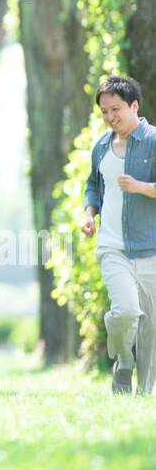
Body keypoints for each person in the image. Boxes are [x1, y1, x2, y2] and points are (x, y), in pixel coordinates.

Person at [81, 74, 156, 395]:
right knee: (126, 310)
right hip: (113, 247)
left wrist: (141, 187)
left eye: (116, 109)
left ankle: (144, 394)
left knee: (151, 326)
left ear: (134, 106)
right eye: (104, 112)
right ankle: (123, 360)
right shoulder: (100, 146)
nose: (110, 117)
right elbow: (93, 186)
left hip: (150, 246)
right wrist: (88, 214)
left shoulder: (153, 141)